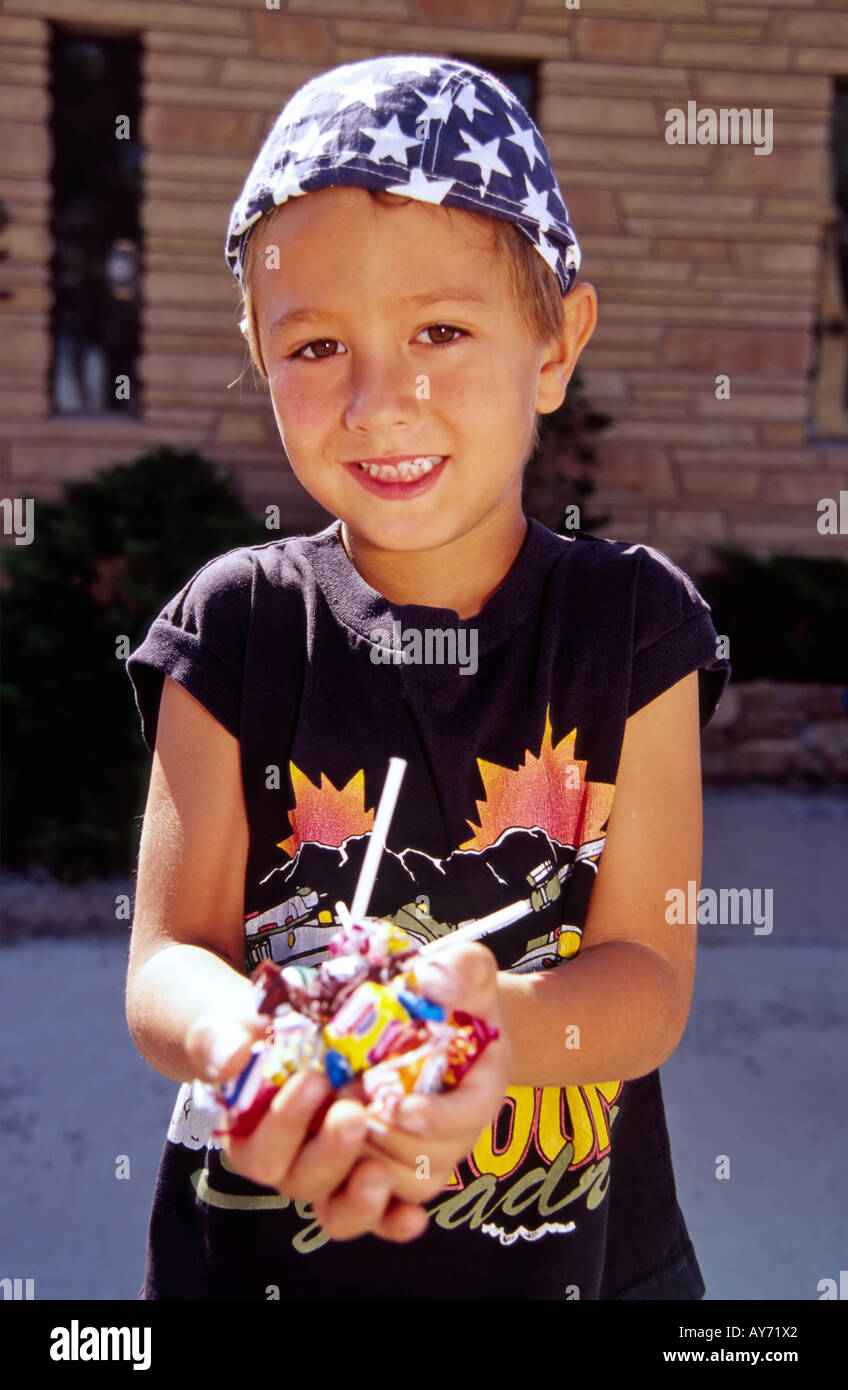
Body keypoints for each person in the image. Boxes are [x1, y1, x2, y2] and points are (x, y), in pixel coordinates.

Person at [125, 54, 730, 1300]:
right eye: (314, 344)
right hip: (257, 1254)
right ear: (258, 353)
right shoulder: (233, 625)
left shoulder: (631, 628)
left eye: (440, 331)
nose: (377, 398)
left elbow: (648, 976)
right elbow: (165, 960)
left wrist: (481, 1030)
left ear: (555, 345)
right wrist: (253, 1049)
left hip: (576, 1258)